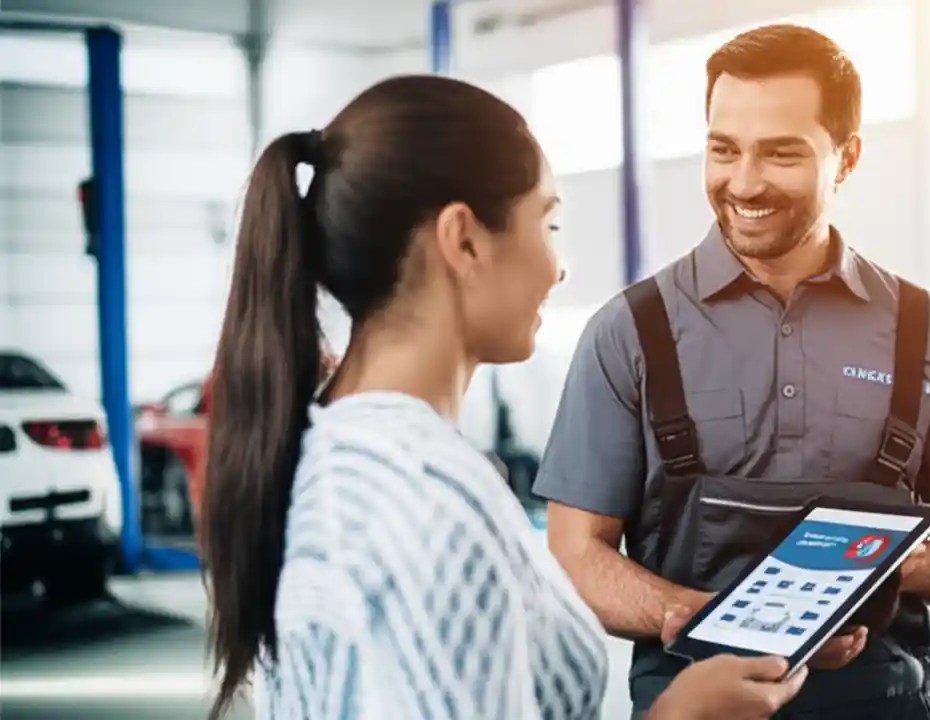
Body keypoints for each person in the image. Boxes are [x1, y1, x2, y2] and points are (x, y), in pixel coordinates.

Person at [200, 75, 813, 720]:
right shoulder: (425, 500)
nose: (559, 266)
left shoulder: (335, 451)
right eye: (548, 222)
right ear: (463, 239)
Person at [535, 24, 930, 719]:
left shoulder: (927, 329)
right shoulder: (630, 332)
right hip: (693, 702)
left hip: (884, 699)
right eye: (724, 150)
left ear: (845, 159)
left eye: (781, 154)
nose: (744, 182)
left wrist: (867, 581)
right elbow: (576, 552)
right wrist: (697, 616)